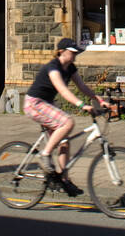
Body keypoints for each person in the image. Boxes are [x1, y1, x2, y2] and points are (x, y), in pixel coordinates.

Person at [23, 36, 106, 197]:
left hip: (46, 103)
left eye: (76, 53)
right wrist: (82, 105)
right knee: (67, 122)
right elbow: (62, 90)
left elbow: (82, 87)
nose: (75, 55)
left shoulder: (70, 68)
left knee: (64, 142)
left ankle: (63, 180)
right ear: (61, 52)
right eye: (72, 52)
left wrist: (99, 100)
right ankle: (45, 154)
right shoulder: (53, 67)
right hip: (34, 103)